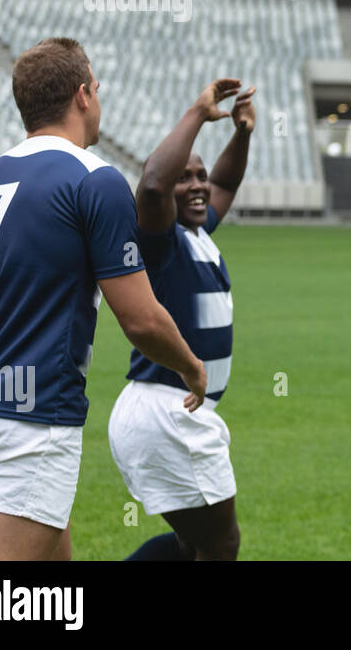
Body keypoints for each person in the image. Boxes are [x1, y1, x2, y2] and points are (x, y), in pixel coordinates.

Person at [0, 38, 205, 560]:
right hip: (32, 420)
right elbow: (142, 319)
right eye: (97, 89)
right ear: (83, 95)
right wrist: (191, 367)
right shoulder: (95, 179)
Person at [109, 79, 255, 561]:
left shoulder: (198, 232)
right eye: (185, 178)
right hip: (169, 409)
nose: (197, 185)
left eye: (200, 176)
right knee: (220, 543)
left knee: (195, 543)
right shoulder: (160, 240)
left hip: (176, 409)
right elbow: (151, 185)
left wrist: (242, 134)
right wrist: (197, 113)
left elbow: (227, 183)